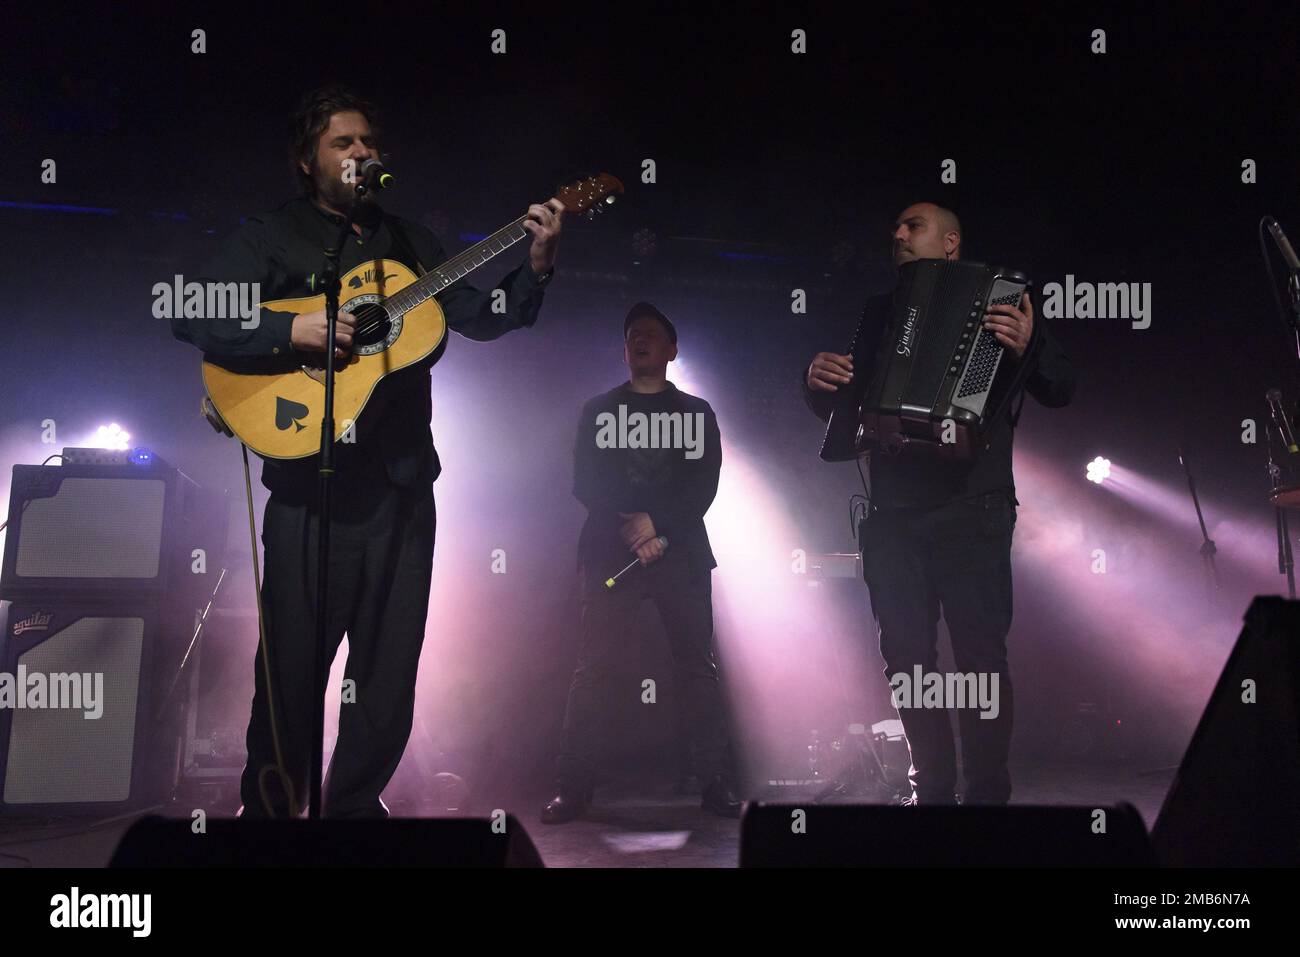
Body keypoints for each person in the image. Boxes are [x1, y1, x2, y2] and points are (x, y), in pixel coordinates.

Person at [170, 85, 564, 818]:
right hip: (307, 493)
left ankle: (352, 814)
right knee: (289, 667)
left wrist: (535, 265)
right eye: (341, 143)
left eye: (366, 143)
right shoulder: (269, 237)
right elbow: (192, 310)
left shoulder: (412, 245)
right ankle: (274, 811)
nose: (359, 154)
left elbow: (482, 317)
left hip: (402, 488)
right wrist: (295, 333)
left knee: (386, 673)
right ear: (305, 161)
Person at [801, 202, 1076, 805]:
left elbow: (1060, 387)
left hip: (972, 506)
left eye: (912, 226)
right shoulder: (879, 312)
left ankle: (985, 796)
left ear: (950, 242)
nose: (896, 234)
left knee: (980, 659)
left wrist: (1032, 344)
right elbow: (852, 413)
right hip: (895, 513)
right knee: (904, 657)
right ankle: (931, 788)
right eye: (893, 227)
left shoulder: (1007, 297)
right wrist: (817, 385)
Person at [542, 303, 741, 823]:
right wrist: (634, 529)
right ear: (624, 350)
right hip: (609, 550)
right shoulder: (598, 410)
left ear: (673, 350)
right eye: (633, 335)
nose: (641, 341)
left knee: (697, 669)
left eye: (652, 335)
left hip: (682, 557)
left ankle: (715, 783)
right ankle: (573, 787)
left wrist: (659, 526)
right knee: (594, 670)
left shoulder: (698, 413)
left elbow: (704, 485)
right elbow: (585, 481)